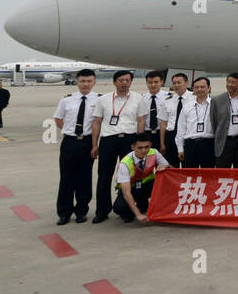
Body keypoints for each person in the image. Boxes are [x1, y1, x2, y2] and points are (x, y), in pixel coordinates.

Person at [91, 70, 141, 222]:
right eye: (121, 80)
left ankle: (125, 210)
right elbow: (97, 122)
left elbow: (141, 121)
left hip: (129, 140)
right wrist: (95, 144)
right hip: (108, 140)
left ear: (131, 82)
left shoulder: (138, 98)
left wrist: (139, 144)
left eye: (127, 80)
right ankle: (102, 211)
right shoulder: (104, 100)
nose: (124, 83)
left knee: (129, 177)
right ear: (114, 82)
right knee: (104, 176)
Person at [52, 69, 99, 224]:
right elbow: (58, 119)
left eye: (89, 81)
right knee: (66, 178)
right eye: (82, 81)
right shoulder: (67, 100)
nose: (85, 84)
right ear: (77, 82)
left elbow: (97, 123)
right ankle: (64, 213)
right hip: (70, 142)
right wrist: (70, 131)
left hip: (87, 143)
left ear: (94, 82)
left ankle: (81, 211)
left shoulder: (99, 100)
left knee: (84, 178)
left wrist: (94, 145)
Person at [110, 132, 169, 223]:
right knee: (120, 207)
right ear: (133, 147)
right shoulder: (125, 163)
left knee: (164, 179)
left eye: (147, 147)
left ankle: (145, 204)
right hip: (132, 188)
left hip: (147, 185)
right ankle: (135, 209)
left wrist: (164, 167)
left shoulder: (154, 152)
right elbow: (126, 192)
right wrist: (138, 214)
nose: (144, 151)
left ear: (150, 145)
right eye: (140, 148)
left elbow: (168, 166)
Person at [176, 76, 216, 168]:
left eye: (202, 87)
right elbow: (181, 129)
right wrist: (180, 149)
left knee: (208, 176)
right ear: (193, 89)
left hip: (209, 145)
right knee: (189, 177)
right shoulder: (187, 106)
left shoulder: (215, 104)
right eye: (196, 87)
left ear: (208, 88)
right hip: (190, 145)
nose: (199, 89)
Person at [212, 72, 238, 168]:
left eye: (233, 82)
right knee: (222, 171)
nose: (230, 85)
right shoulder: (217, 100)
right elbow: (214, 121)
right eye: (228, 82)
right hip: (224, 141)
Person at [159, 72, 191, 168]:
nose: (176, 85)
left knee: (188, 166)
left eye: (179, 82)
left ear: (186, 83)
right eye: (174, 83)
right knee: (171, 167)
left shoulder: (194, 98)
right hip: (171, 136)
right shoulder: (168, 100)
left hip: (187, 135)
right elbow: (163, 123)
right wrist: (162, 143)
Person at [137, 70, 170, 140]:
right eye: (150, 82)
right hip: (146, 133)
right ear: (146, 83)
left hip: (164, 133)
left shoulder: (168, 98)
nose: (153, 85)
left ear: (162, 82)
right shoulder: (141, 99)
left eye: (156, 82)